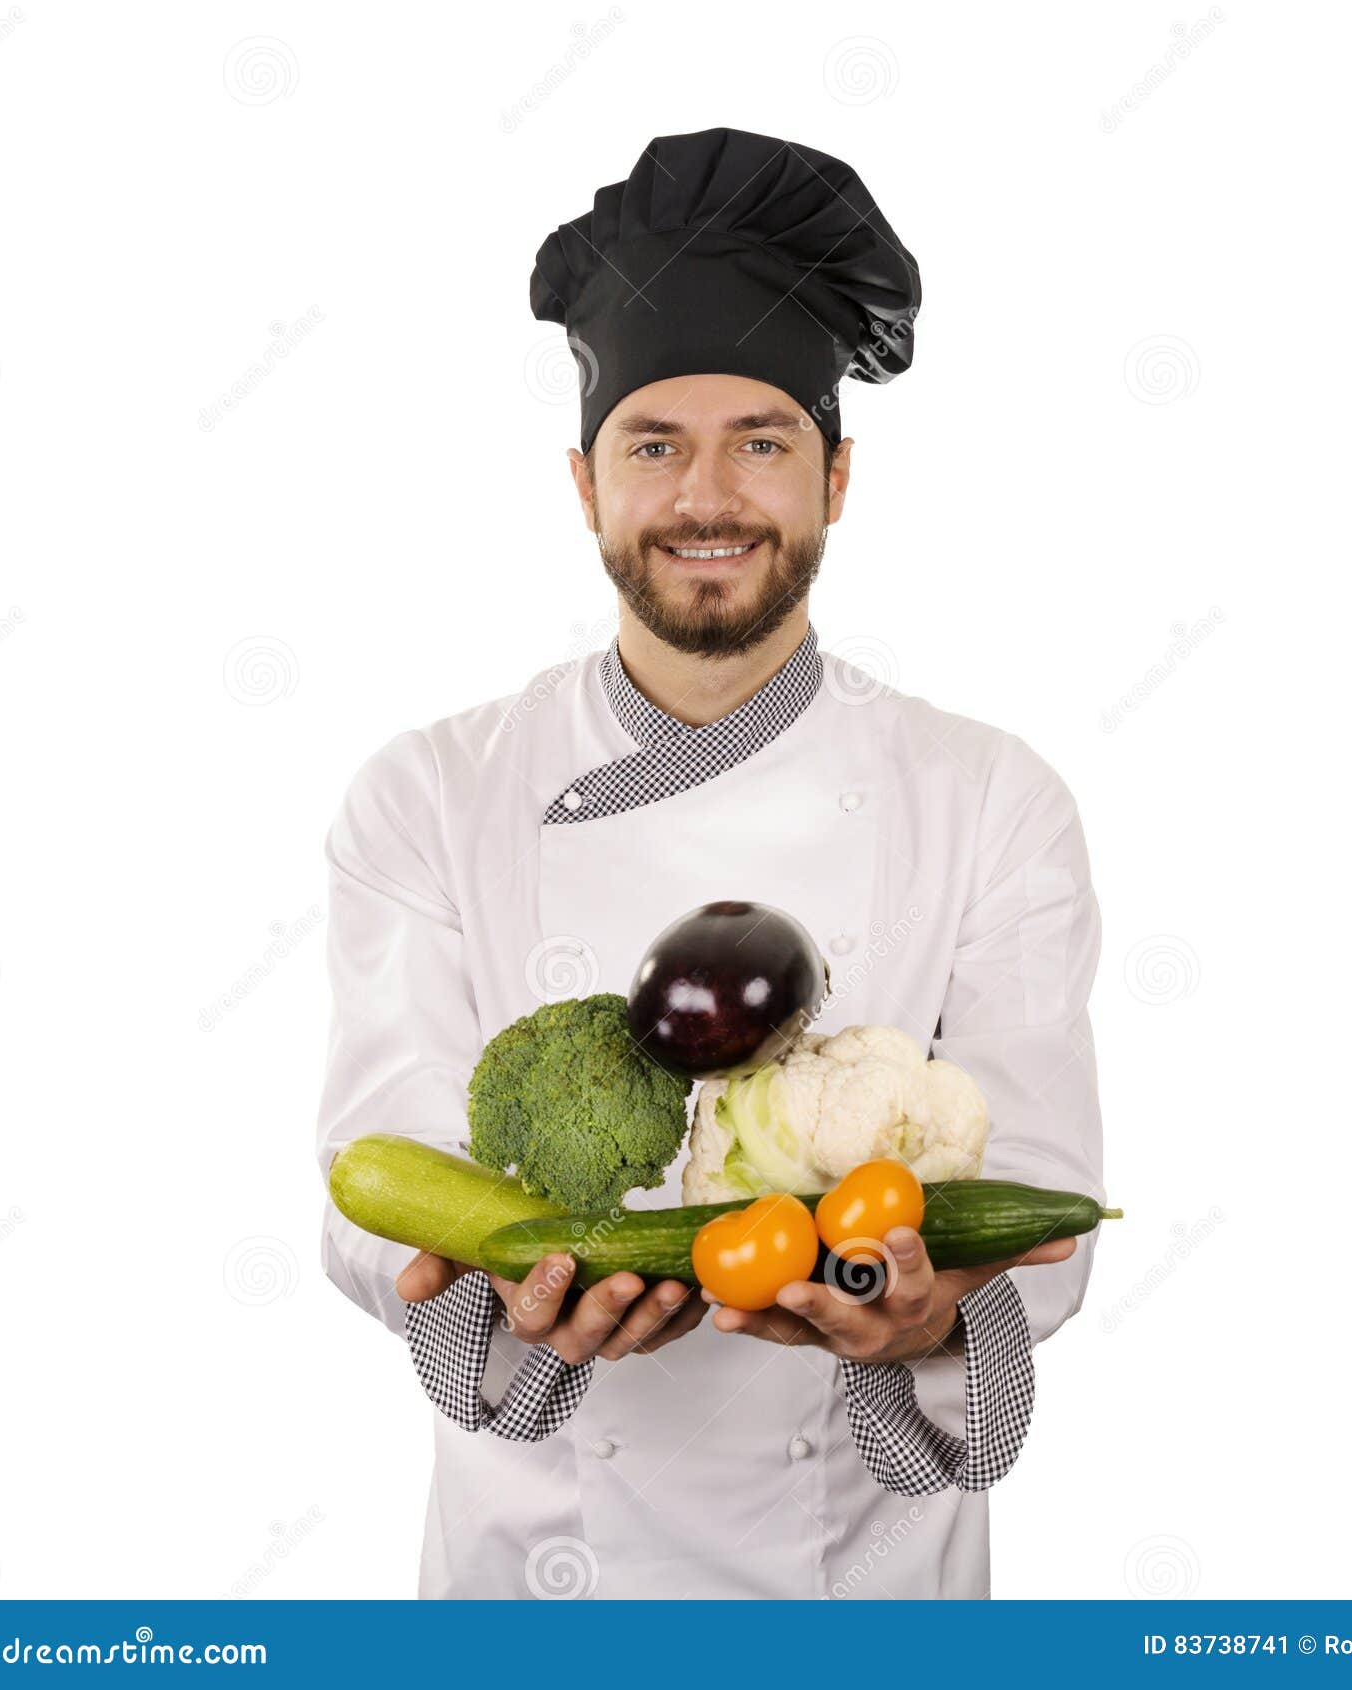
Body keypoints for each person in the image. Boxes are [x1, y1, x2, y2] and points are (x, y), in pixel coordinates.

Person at [315, 127, 1107, 1601]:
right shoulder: (428, 792)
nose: (707, 499)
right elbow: (378, 1179)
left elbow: (1043, 1198)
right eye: (654, 444)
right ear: (583, 479)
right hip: (534, 1580)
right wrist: (502, 1293)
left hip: (863, 1583)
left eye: (761, 440)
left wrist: (927, 1324)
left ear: (837, 473)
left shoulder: (990, 798)